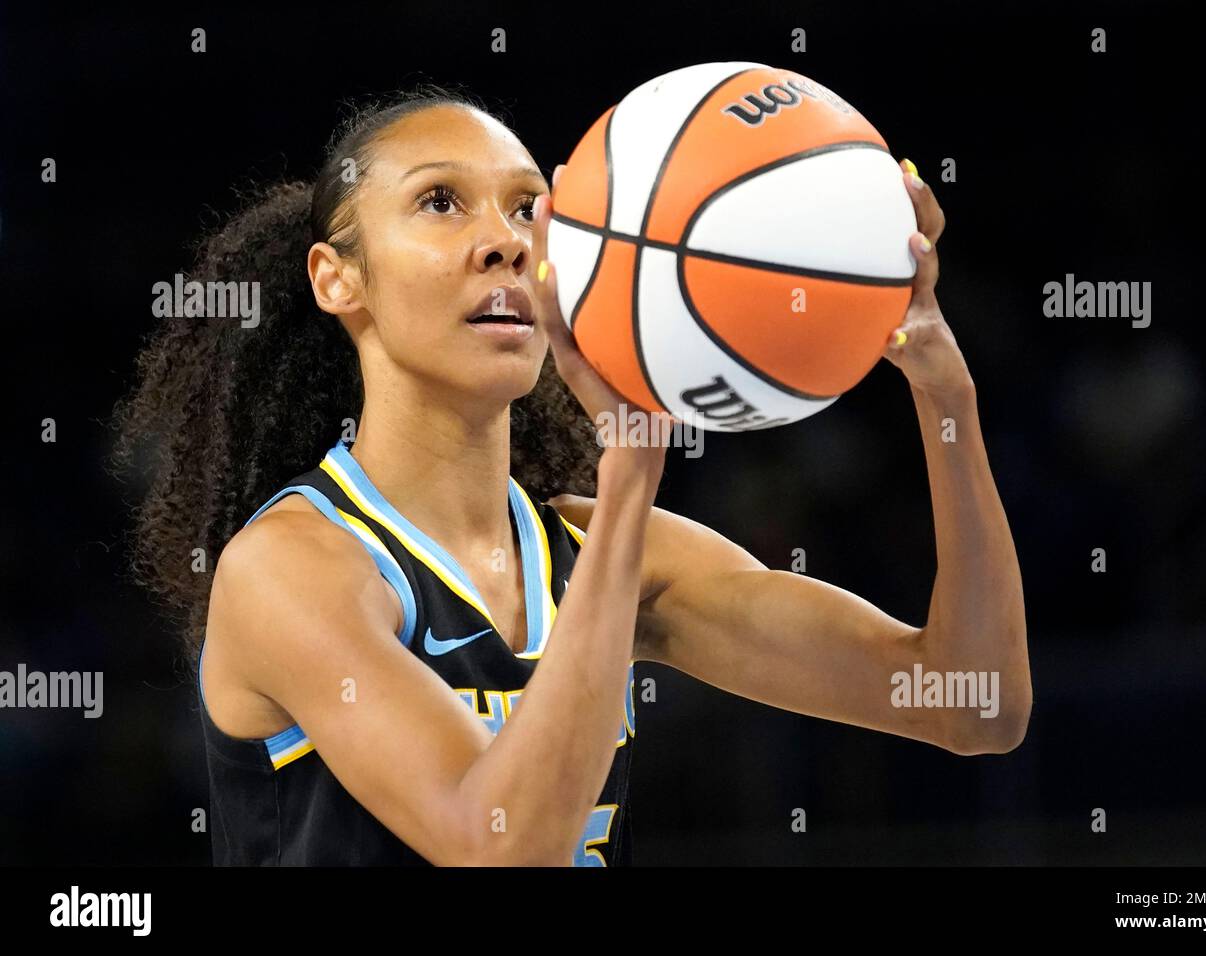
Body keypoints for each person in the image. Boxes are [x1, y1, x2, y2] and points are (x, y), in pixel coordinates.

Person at [112, 84, 1030, 866]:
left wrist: (944, 394)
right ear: (336, 279)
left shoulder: (603, 550)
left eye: (525, 209)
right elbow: (501, 846)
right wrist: (630, 483)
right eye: (441, 202)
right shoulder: (291, 569)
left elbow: (972, 705)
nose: (505, 241)